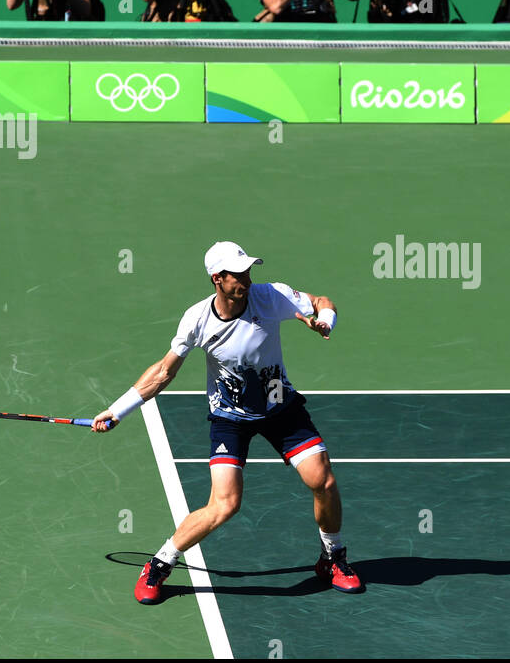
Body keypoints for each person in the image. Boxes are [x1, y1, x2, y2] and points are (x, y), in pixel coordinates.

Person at [92, 241, 362, 603]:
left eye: (249, 271)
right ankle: (160, 563)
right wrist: (118, 409)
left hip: (280, 406)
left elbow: (321, 301)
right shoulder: (198, 319)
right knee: (225, 504)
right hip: (229, 418)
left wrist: (324, 321)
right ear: (217, 279)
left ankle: (333, 558)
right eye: (239, 274)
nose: (247, 280)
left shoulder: (271, 296)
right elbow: (162, 372)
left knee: (323, 481)